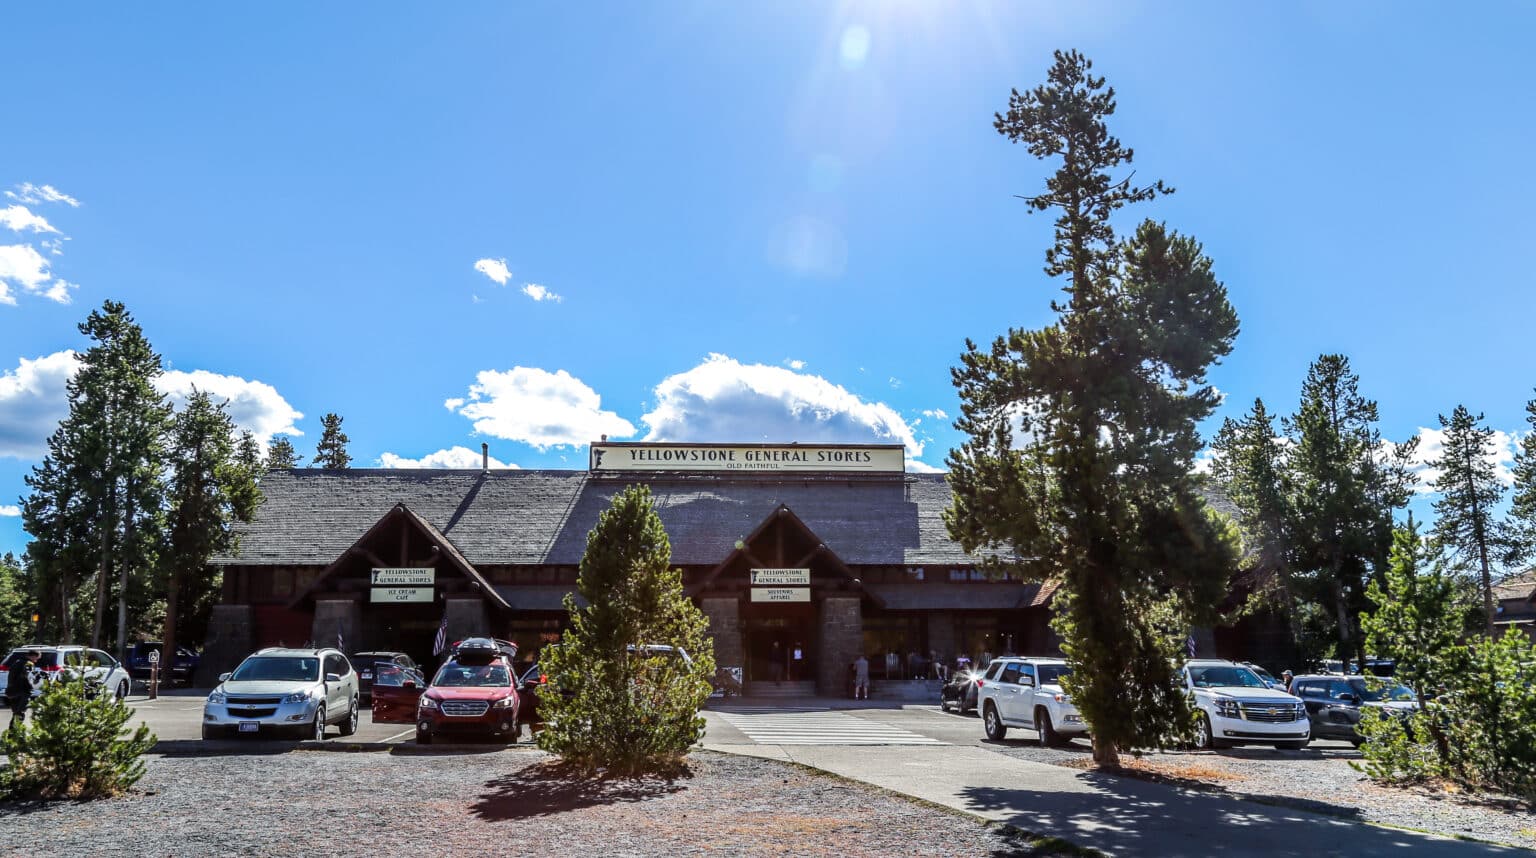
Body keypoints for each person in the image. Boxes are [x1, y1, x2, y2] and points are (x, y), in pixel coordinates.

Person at [5, 649, 41, 732]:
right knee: (19, 714)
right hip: (22, 691)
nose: (36, 661)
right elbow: (29, 677)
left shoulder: (17, 662)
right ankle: (14, 735)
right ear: (32, 656)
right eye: (36, 658)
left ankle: (12, 733)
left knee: (16, 713)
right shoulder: (29, 664)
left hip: (12, 691)